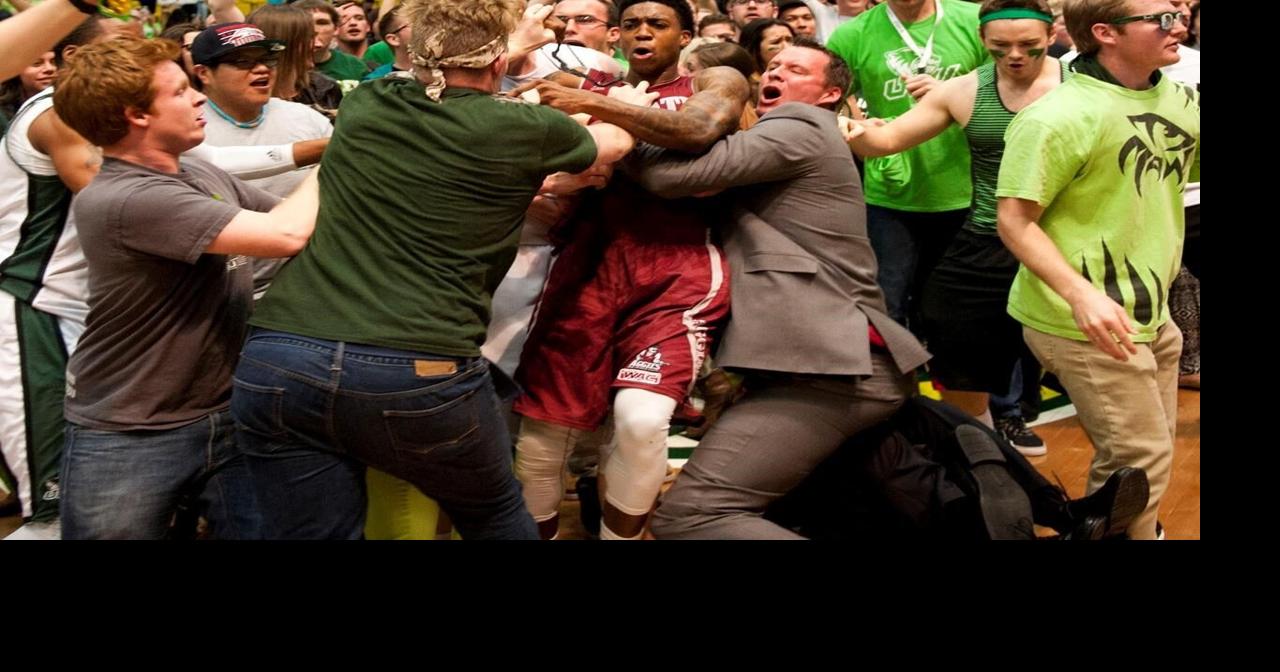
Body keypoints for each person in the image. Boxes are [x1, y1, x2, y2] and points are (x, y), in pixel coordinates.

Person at [230, 0, 634, 540]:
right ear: (496, 61)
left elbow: (444, 76)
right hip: (416, 367)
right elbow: (613, 144)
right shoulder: (527, 128)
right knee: (493, 516)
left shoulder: (370, 101)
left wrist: (489, 51)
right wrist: (627, 104)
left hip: (280, 358)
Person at [621, 40, 930, 539]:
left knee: (690, 516)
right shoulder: (772, 137)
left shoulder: (802, 126)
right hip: (830, 365)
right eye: (775, 65)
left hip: (834, 373)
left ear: (830, 94)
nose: (777, 72)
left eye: (796, 69)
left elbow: (668, 177)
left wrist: (627, 123)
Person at [53, 36, 322, 539]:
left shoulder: (194, 169)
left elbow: (300, 222)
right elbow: (285, 234)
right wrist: (344, 150)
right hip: (131, 432)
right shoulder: (126, 196)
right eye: (179, 91)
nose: (198, 97)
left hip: (225, 411)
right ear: (137, 115)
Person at [509, 0, 750, 540]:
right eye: (633, 25)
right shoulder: (587, 80)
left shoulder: (714, 78)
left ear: (685, 35)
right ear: (616, 36)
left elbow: (698, 128)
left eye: (658, 25)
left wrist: (594, 104)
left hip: (676, 267)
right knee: (543, 435)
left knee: (640, 422)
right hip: (586, 266)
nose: (644, 34)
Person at [995, 0, 1199, 540]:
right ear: (1105, 33)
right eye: (1160, 18)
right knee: (1140, 454)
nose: (1177, 24)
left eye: (1177, 12)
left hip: (1150, 312)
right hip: (1078, 317)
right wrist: (1081, 295)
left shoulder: (1178, 97)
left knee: (1135, 467)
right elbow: (1014, 222)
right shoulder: (1056, 117)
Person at [840, 0, 1063, 454]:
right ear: (984, 43)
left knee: (1053, 341)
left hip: (1064, 233)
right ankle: (977, 446)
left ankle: (1013, 415)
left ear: (1050, 38)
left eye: (1029, 47)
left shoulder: (1081, 84)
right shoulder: (963, 90)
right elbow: (885, 140)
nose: (1015, 56)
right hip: (984, 230)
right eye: (1001, 48)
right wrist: (847, 127)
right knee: (947, 323)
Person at [826, 0, 987, 330]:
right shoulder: (852, 35)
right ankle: (893, 380)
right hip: (891, 191)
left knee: (956, 306)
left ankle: (947, 380)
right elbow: (829, 100)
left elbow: (1009, 90)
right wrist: (856, 129)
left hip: (969, 186)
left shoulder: (974, 21)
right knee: (888, 304)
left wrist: (952, 93)